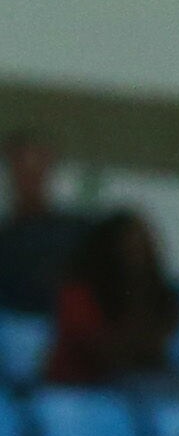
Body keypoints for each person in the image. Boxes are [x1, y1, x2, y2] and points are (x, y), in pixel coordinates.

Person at [43, 209, 179, 387]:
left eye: (141, 247)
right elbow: (95, 349)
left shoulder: (157, 293)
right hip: (78, 386)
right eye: (130, 246)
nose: (136, 254)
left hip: (135, 383)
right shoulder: (79, 294)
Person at [0, 131, 85, 317]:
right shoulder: (6, 236)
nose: (29, 180)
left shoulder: (72, 232)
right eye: (22, 170)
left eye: (35, 171)